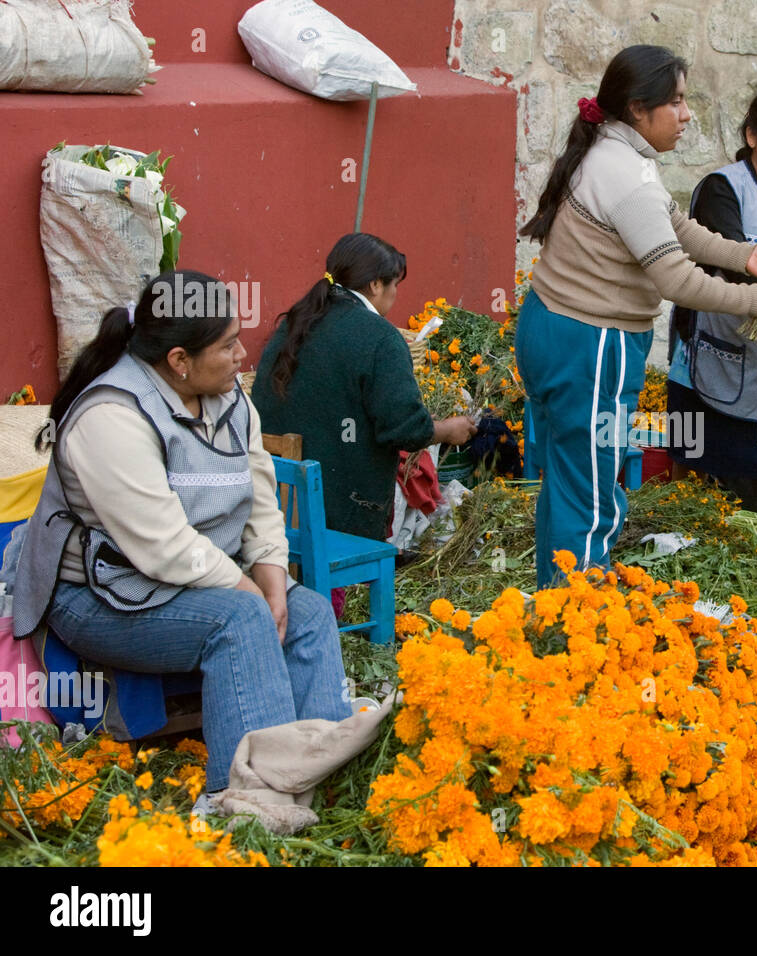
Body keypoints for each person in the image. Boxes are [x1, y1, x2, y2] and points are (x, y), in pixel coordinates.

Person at [10, 271, 352, 795]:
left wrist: (275, 582)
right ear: (178, 360)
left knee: (306, 612)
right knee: (238, 620)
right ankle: (251, 804)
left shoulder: (226, 395)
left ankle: (319, 774)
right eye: (227, 344)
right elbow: (162, 545)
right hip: (94, 597)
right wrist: (250, 595)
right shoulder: (111, 415)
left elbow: (258, 491)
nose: (242, 354)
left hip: (186, 582)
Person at [515, 45, 757, 587]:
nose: (687, 114)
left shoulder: (614, 151)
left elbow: (676, 225)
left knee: (569, 481)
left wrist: (745, 257)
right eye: (676, 101)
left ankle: (554, 601)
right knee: (594, 494)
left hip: (556, 328)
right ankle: (581, 617)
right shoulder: (625, 175)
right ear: (638, 109)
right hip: (590, 345)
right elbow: (675, 279)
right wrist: (755, 299)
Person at [253, 233, 477, 542]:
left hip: (275, 500)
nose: (396, 294)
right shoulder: (380, 338)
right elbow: (405, 431)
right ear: (374, 284)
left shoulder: (297, 321)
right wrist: (447, 429)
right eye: (394, 284)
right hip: (338, 513)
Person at [665, 88, 757, 518]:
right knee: (690, 452)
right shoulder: (722, 187)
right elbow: (732, 261)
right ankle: (676, 537)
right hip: (706, 353)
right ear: (752, 135)